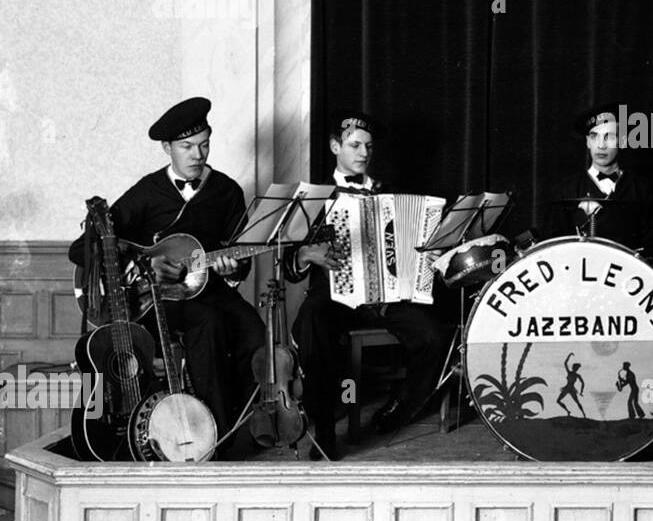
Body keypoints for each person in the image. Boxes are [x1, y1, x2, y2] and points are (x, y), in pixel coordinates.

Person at [68, 97, 263, 446]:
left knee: (253, 329)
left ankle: (239, 422)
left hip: (212, 287)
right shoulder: (147, 191)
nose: (197, 155)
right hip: (157, 297)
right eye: (187, 146)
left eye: (204, 145)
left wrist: (233, 267)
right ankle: (212, 440)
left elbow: (240, 258)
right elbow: (83, 248)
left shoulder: (227, 191)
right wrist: (145, 263)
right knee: (208, 324)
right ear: (166, 148)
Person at [287, 110, 457, 459]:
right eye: (354, 145)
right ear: (335, 146)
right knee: (313, 322)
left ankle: (399, 407)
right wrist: (306, 255)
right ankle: (325, 430)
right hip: (335, 296)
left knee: (433, 336)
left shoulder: (390, 195)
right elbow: (290, 265)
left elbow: (415, 246)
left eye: (367, 146)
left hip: (387, 299)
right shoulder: (315, 198)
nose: (363, 153)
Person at [547, 103, 653, 259]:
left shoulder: (641, 187)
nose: (601, 145)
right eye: (594, 137)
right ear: (588, 141)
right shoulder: (567, 189)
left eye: (610, 137)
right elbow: (554, 246)